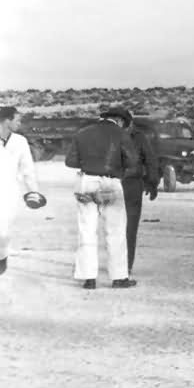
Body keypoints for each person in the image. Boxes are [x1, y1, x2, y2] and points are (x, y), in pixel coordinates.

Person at [65, 108, 136, 289]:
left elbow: (70, 162)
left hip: (86, 182)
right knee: (116, 231)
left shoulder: (82, 133)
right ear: (120, 121)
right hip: (111, 183)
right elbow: (132, 161)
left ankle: (89, 278)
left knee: (87, 230)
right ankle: (119, 278)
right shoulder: (120, 134)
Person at [0, 106, 42, 276]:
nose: (19, 123)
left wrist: (33, 191)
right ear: (7, 121)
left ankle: (2, 256)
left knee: (3, 230)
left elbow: (28, 168)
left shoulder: (20, 142)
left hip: (8, 192)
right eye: (17, 120)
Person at [121, 112, 160, 275]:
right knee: (129, 227)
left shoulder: (110, 135)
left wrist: (152, 182)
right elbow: (150, 160)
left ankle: (120, 264)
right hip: (131, 185)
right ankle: (125, 266)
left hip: (117, 184)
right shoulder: (139, 137)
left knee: (116, 227)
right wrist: (152, 183)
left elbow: (150, 160)